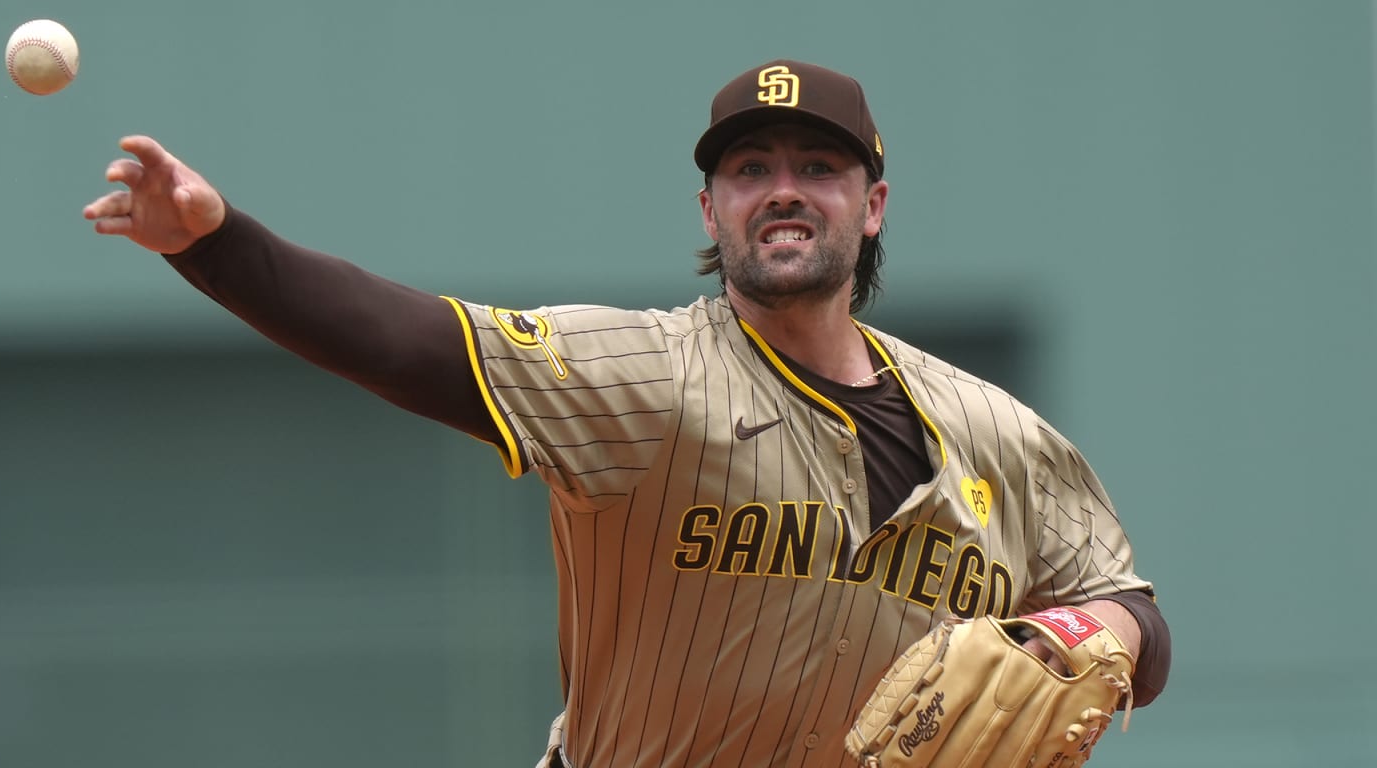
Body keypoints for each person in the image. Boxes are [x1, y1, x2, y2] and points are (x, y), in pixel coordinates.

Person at [82, 59, 1170, 768]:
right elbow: (411, 344)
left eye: (818, 167)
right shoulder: (645, 376)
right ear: (712, 208)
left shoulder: (998, 434)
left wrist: (1084, 630)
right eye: (750, 169)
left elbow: (1134, 614)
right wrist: (215, 244)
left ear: (873, 205)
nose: (783, 188)